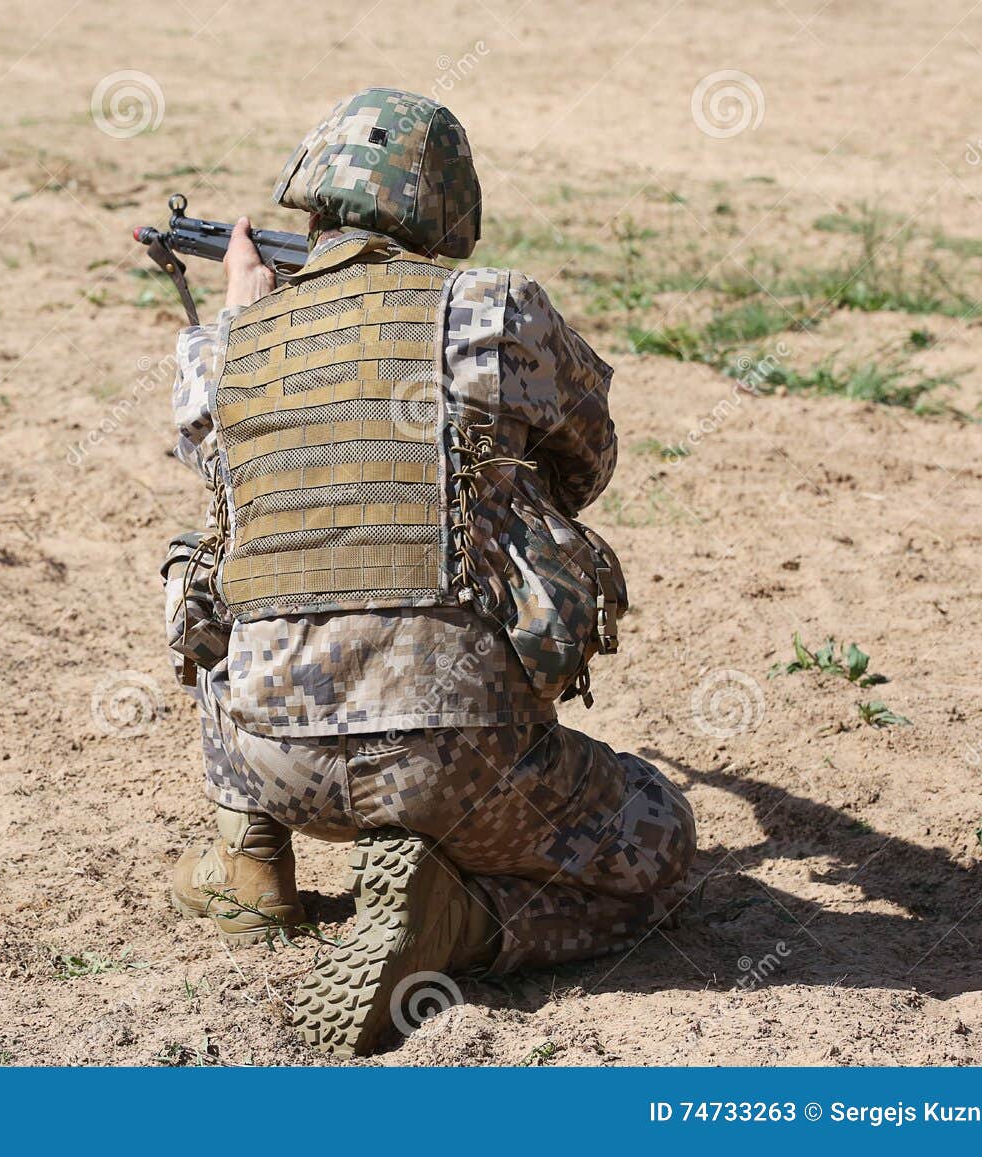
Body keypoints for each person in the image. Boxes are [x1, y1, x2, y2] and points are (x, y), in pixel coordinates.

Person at [160, 87, 696, 1057]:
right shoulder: (497, 311)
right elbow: (586, 468)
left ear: (308, 206)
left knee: (221, 541)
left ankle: (252, 857)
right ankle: (450, 922)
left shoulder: (218, 351)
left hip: (277, 759)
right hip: (460, 760)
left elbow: (223, 487)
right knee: (655, 842)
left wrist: (244, 320)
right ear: (445, 209)